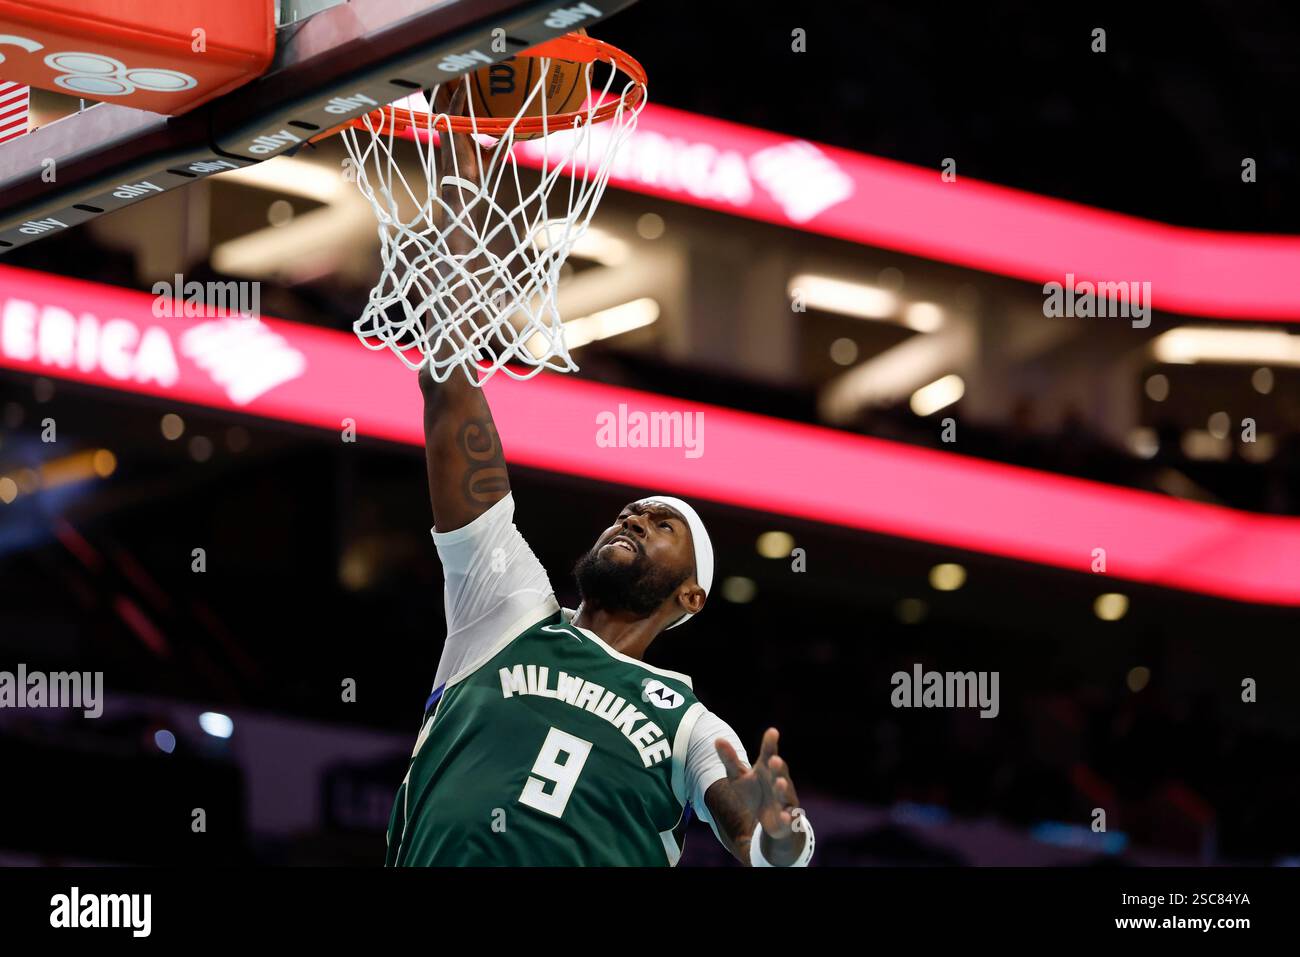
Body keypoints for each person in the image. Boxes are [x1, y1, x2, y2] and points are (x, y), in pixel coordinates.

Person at [384, 87, 813, 867]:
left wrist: (775, 833)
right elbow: (451, 404)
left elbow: (752, 832)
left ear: (692, 596)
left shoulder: (684, 718)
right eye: (632, 510)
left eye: (662, 523)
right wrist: (457, 189)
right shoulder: (507, 607)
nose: (634, 519)